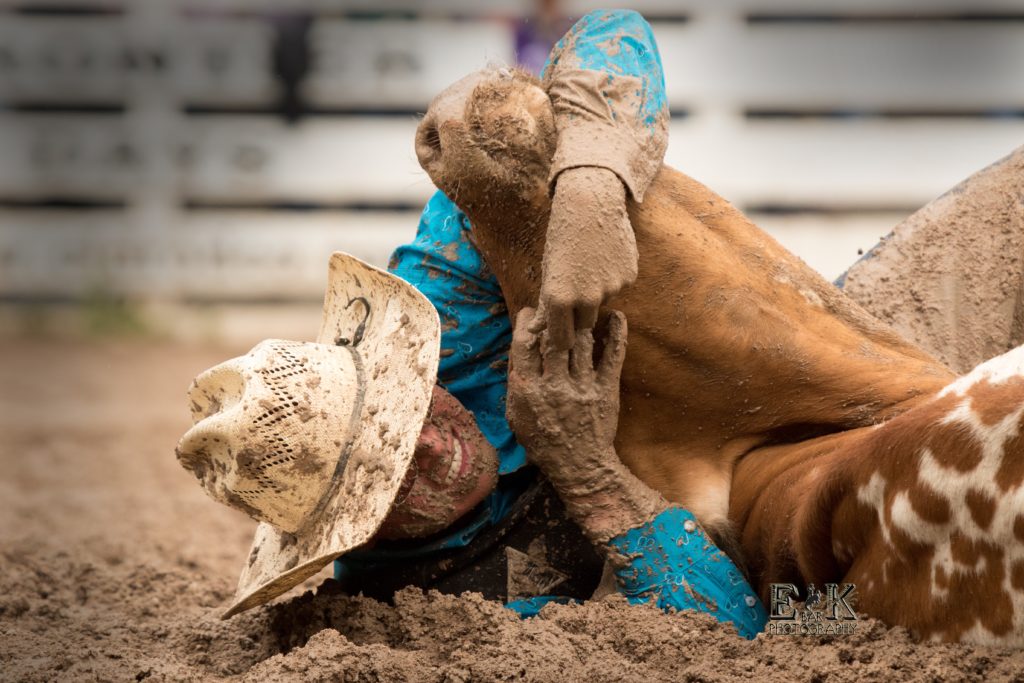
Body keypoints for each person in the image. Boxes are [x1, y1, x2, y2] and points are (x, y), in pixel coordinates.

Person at [175, 9, 768, 639]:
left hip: (748, 366)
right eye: (395, 470)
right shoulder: (420, 600)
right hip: (747, 511)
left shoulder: (442, 299)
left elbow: (611, 32)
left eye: (407, 414)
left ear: (392, 370)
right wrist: (589, 476)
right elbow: (745, 638)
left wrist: (591, 187)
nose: (434, 448)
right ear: (362, 523)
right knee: (827, 606)